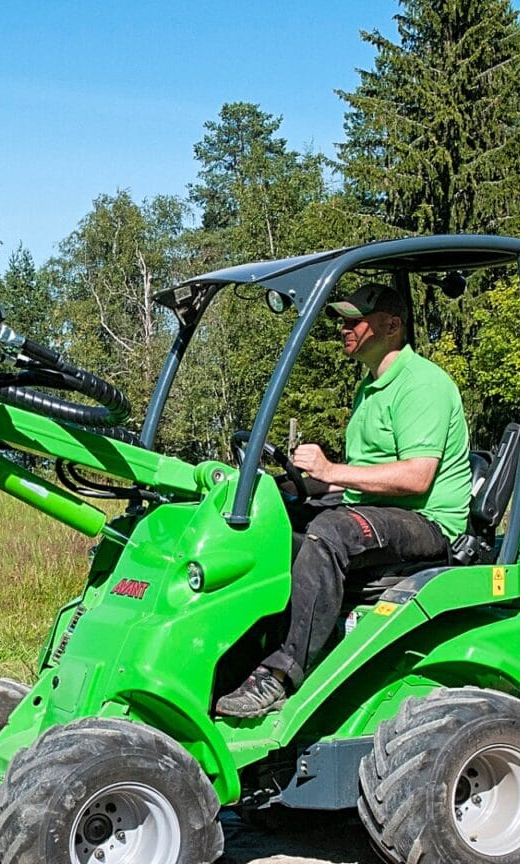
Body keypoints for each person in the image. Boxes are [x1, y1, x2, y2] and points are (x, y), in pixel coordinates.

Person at [216, 283, 472, 718]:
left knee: (329, 532)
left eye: (354, 320)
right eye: (341, 320)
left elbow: (415, 476)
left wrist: (331, 470)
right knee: (274, 522)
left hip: (426, 521)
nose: (344, 328)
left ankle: (280, 674)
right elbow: (358, 477)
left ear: (392, 326)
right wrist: (287, 485)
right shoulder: (369, 388)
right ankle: (237, 656)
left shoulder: (422, 384)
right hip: (376, 509)